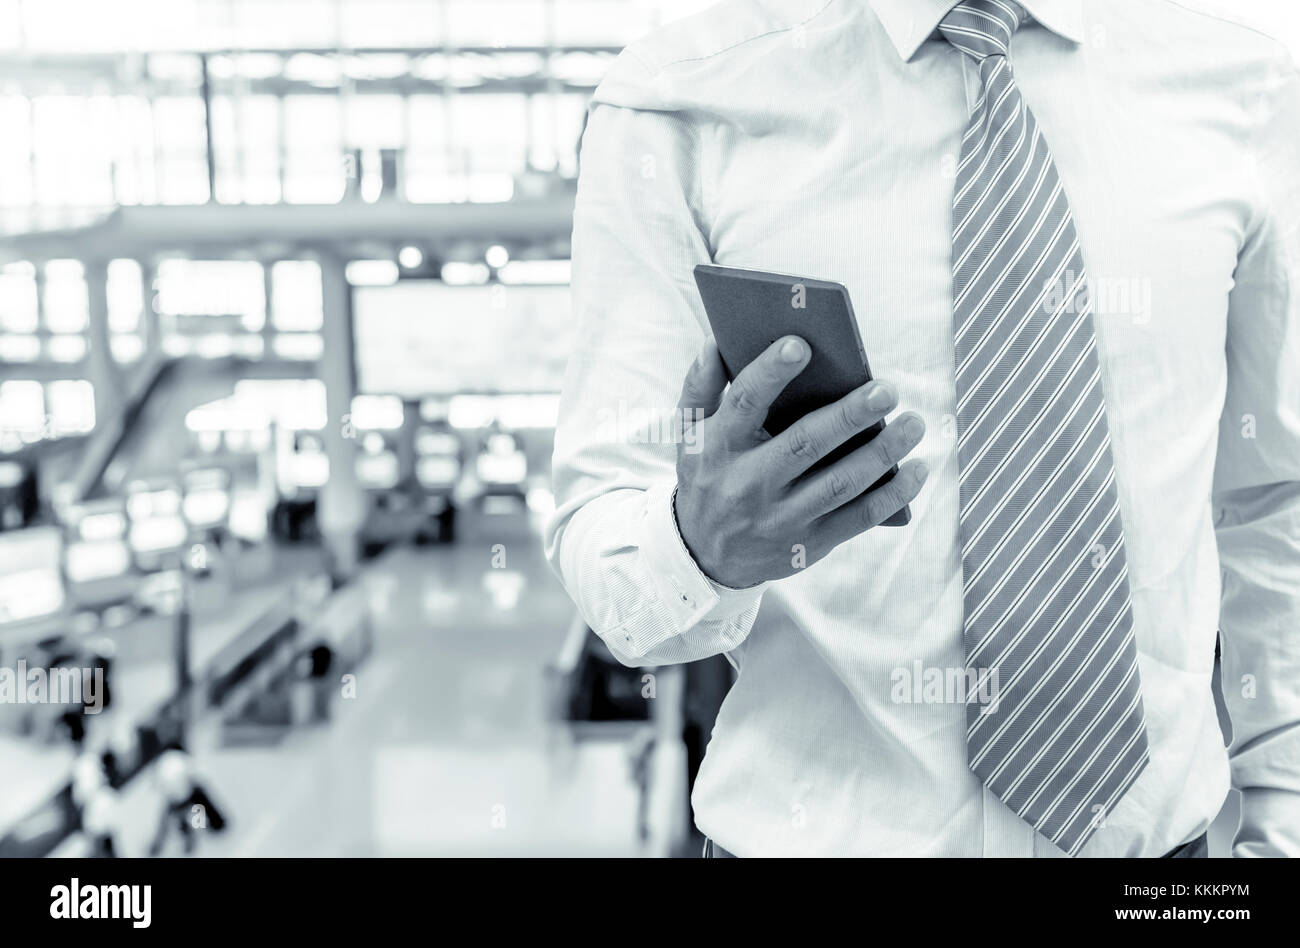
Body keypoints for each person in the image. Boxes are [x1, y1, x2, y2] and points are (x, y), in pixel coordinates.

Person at [546, 0, 1300, 857]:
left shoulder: (1247, 88)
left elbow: (1273, 497)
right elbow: (603, 551)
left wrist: (1283, 821)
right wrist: (698, 547)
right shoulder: (680, 101)